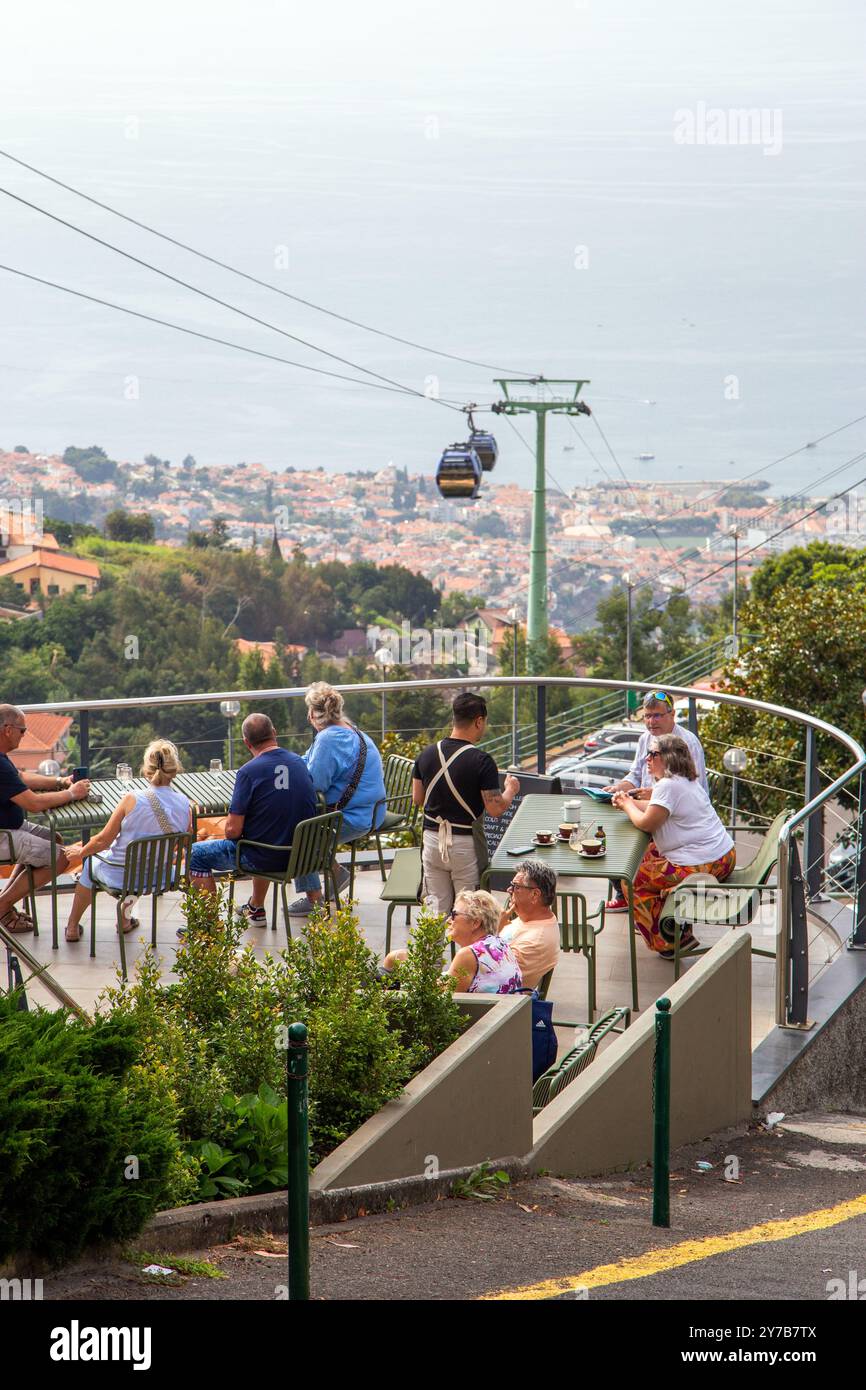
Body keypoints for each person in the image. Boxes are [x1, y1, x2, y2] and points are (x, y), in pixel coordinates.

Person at [611, 734, 735, 959]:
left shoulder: (668, 785)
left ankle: (670, 941)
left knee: (631, 879)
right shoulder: (683, 780)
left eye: (653, 754)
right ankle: (671, 921)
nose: (647, 759)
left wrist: (627, 805)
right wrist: (626, 802)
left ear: (668, 757)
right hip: (724, 856)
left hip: (704, 865)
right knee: (646, 855)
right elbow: (656, 807)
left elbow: (647, 823)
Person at [188, 712, 317, 924]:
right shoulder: (298, 763)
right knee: (263, 834)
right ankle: (255, 908)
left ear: (246, 743)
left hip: (264, 858)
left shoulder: (248, 772)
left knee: (195, 854)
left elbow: (232, 831)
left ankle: (208, 924)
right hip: (302, 857)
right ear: (274, 733)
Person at [63, 740, 192, 942]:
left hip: (120, 876)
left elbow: (102, 841)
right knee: (144, 861)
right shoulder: (185, 804)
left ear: (146, 770)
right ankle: (124, 921)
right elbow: (187, 842)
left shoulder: (132, 799)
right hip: (160, 876)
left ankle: (72, 927)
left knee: (89, 866)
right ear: (174, 770)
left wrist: (80, 853)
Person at [285, 682, 387, 915]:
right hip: (371, 811)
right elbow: (309, 761)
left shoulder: (328, 739)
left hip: (353, 817)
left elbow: (316, 784)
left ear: (311, 714)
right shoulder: (352, 730)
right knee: (306, 827)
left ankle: (314, 899)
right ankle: (335, 872)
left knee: (299, 833)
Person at [412, 692, 520, 913]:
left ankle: (431, 948)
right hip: (464, 846)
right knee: (470, 914)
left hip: (432, 842)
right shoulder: (482, 761)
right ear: (479, 721)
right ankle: (467, 949)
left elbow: (418, 799)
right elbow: (495, 807)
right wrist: (511, 790)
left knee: (435, 915)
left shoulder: (426, 754)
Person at [603, 691, 709, 913]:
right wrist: (619, 787)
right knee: (608, 828)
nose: (651, 722)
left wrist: (655, 793)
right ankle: (625, 893)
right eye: (647, 716)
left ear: (672, 714)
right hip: (650, 805)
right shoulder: (645, 739)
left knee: (626, 838)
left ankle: (640, 898)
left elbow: (693, 786)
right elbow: (634, 775)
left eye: (658, 716)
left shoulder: (686, 742)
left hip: (670, 815)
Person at [0, 702, 91, 934]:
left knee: (55, 838)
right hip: (3, 835)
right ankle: (3, 905)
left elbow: (20, 777)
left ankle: (5, 902)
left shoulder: (3, 758)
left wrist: (61, 782)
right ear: (8, 730)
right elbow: (34, 803)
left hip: (11, 826)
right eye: (22, 730)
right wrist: (72, 794)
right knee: (60, 858)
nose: (24, 734)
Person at [383, 888, 523, 994]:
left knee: (393, 961)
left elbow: (442, 1002)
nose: (449, 920)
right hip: (498, 1020)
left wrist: (411, 973)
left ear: (475, 923)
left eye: (454, 914)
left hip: (476, 1027)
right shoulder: (500, 944)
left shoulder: (469, 955)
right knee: (398, 957)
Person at [496, 859, 560, 989]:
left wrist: (494, 930)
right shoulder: (531, 917)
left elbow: (486, 973)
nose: (509, 890)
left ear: (535, 894)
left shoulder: (533, 942)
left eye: (516, 887)